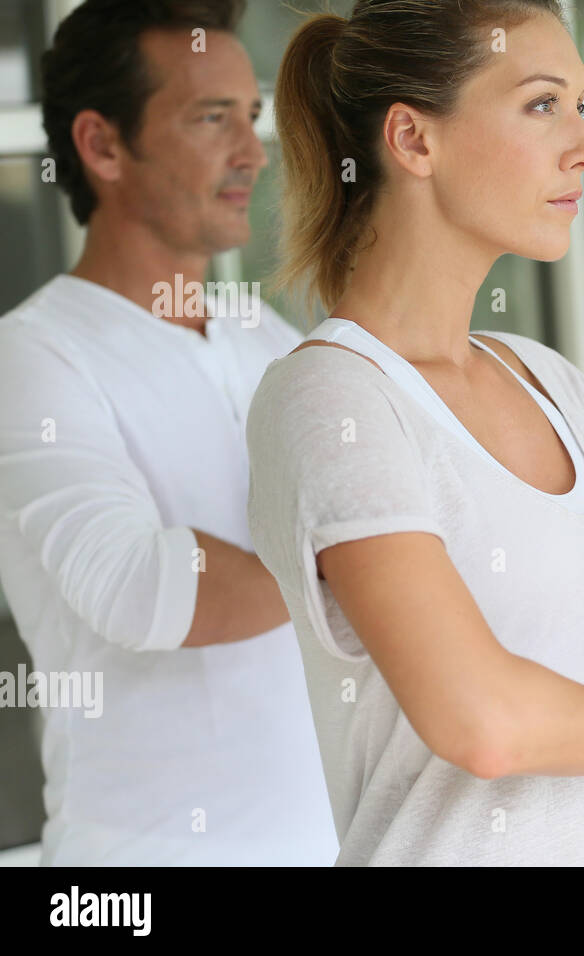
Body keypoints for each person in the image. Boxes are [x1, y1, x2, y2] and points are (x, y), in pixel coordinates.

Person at [244, 0, 584, 866]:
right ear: (414, 140)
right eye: (543, 104)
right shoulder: (331, 397)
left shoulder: (542, 377)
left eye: (580, 104)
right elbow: (482, 723)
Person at [0, 0, 337, 865]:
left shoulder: (267, 337)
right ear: (102, 146)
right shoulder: (31, 356)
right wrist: (382, 571)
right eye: (210, 117)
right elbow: (138, 586)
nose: (251, 151)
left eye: (251, 116)